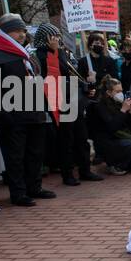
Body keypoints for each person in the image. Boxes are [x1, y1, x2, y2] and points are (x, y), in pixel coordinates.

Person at [0, 12, 50, 207]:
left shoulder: (24, 52)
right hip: (11, 111)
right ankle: (18, 193)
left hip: (33, 109)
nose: (22, 34)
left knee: (35, 152)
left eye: (23, 30)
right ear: (6, 32)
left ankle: (35, 186)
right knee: (15, 155)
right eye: (17, 31)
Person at [31, 24, 98, 188]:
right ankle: (67, 174)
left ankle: (85, 170)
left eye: (57, 36)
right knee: (66, 140)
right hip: (59, 103)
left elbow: (70, 74)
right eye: (53, 36)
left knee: (81, 137)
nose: (57, 39)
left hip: (73, 100)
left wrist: (84, 86)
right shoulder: (39, 56)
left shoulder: (60, 53)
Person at [92, 77, 131, 174]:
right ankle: (115, 164)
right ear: (109, 93)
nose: (120, 94)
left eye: (121, 91)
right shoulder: (100, 105)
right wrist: (123, 111)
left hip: (122, 139)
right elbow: (112, 127)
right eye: (117, 91)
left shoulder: (118, 102)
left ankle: (121, 161)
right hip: (108, 141)